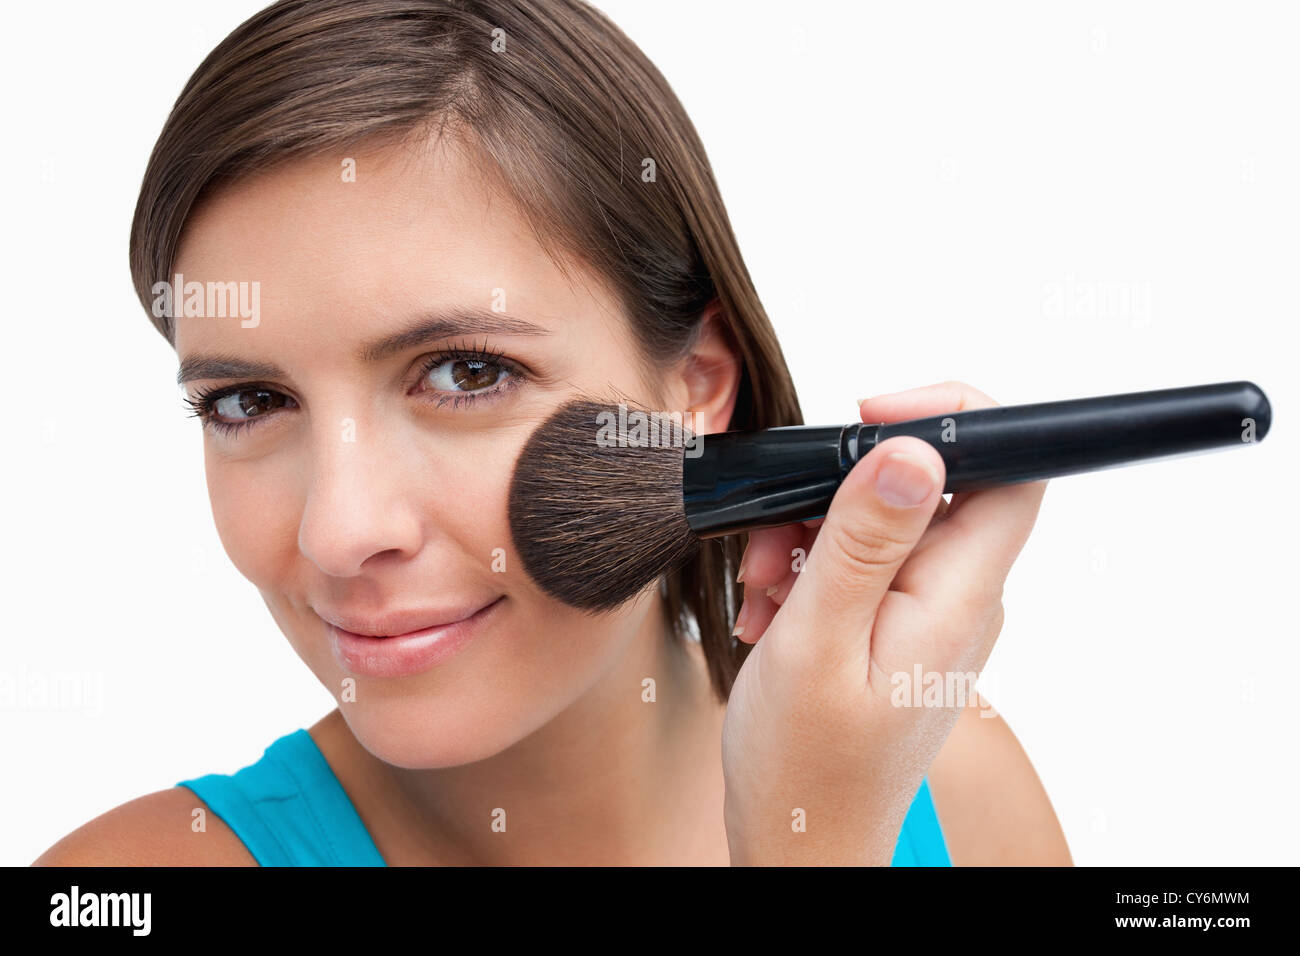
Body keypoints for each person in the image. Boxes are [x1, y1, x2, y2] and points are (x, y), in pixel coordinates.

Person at [34, 0, 1070, 866]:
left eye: (467, 373)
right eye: (248, 401)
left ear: (694, 385)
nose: (338, 532)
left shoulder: (945, 783)